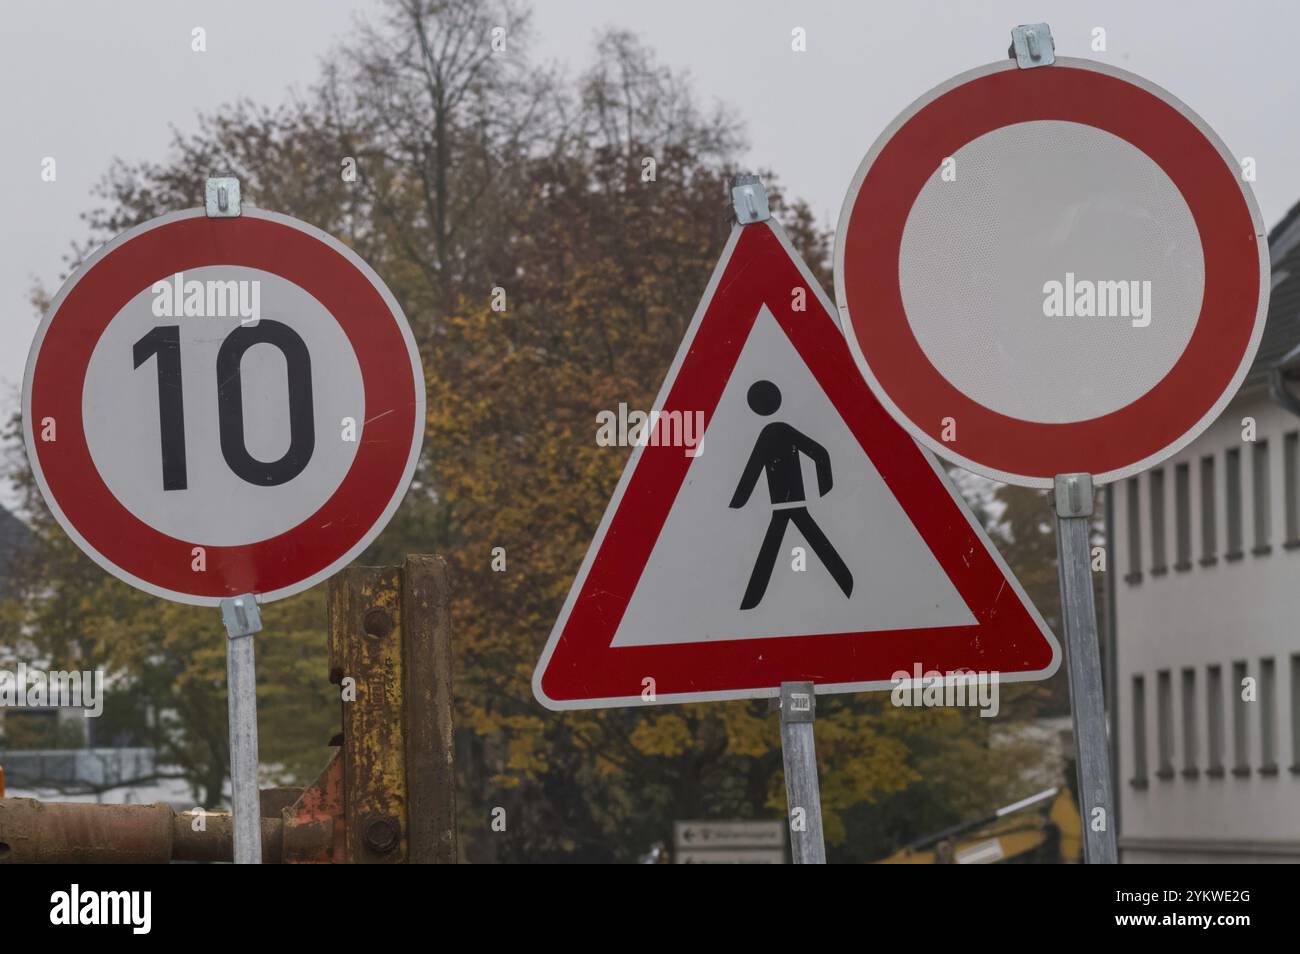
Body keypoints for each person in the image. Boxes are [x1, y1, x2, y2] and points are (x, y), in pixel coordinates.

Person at [729, 380, 853, 610]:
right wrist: (824, 487)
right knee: (805, 540)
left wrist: (738, 502)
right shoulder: (782, 431)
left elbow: (753, 469)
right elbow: (820, 454)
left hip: (786, 504)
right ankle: (847, 583)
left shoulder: (772, 432)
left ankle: (750, 601)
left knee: (777, 546)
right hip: (790, 504)